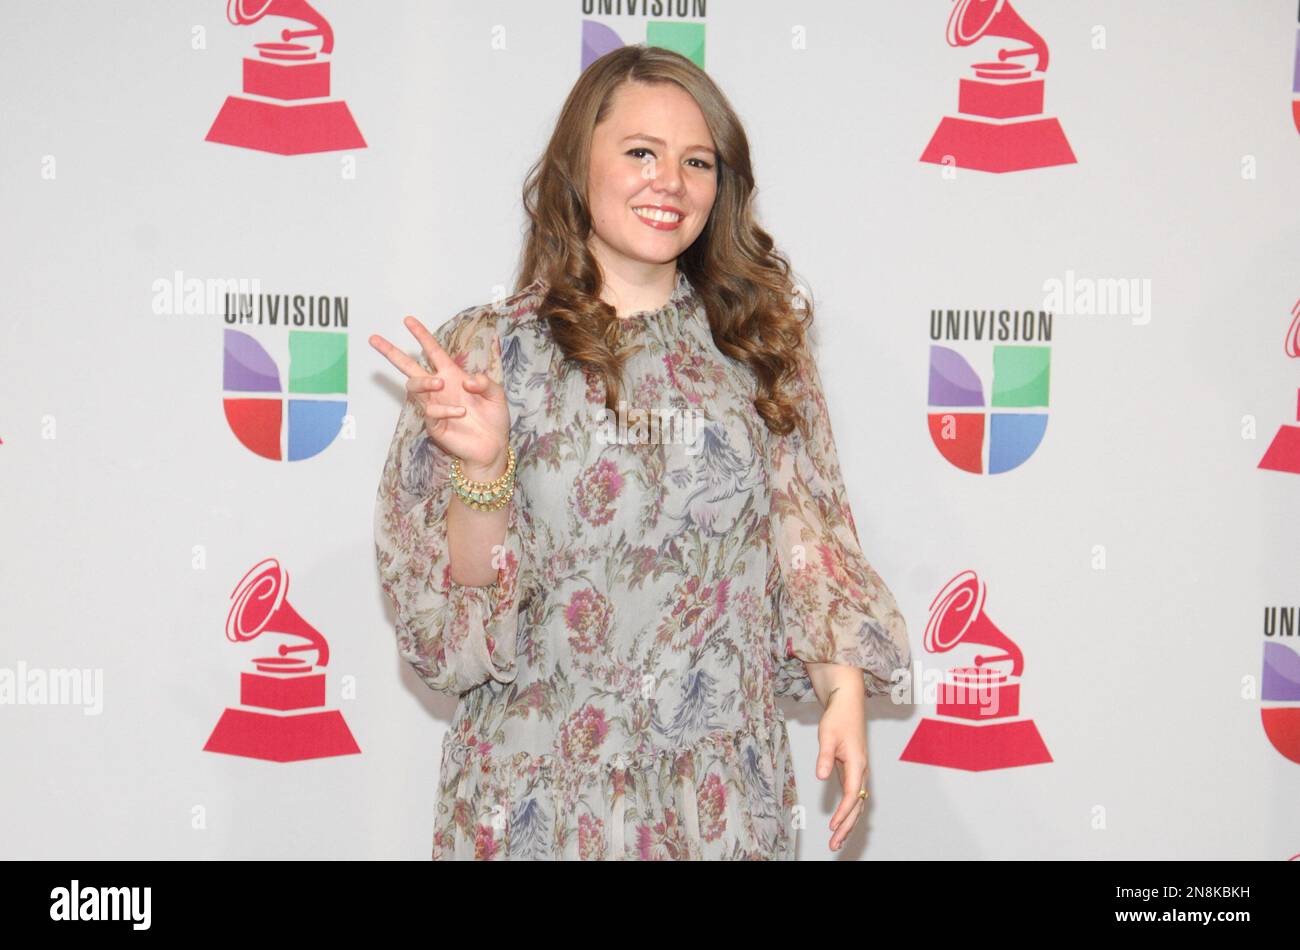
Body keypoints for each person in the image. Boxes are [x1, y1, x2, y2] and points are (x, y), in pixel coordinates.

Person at [368, 44, 912, 860]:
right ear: (576, 165)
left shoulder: (759, 349)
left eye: (699, 161)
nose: (672, 182)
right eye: (640, 153)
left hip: (720, 803)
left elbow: (813, 542)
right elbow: (455, 620)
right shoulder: (489, 353)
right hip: (538, 799)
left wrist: (842, 693)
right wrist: (482, 469)